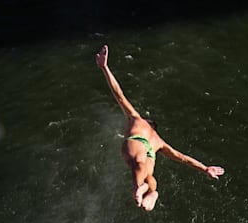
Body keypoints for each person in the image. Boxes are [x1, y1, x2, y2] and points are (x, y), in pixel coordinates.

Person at [95, 45, 224, 211]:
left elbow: (119, 94)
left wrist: (104, 68)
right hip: (151, 152)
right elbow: (182, 157)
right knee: (151, 179)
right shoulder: (159, 141)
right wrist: (204, 168)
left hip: (137, 143)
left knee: (138, 164)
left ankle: (138, 188)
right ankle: (151, 192)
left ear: (149, 122)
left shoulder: (137, 119)